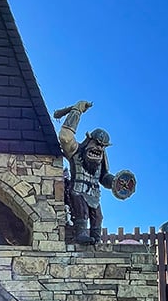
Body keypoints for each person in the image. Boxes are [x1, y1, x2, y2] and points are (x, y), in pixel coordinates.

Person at [57, 101, 135, 244]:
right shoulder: (76, 152)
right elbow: (65, 137)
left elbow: (103, 177)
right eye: (97, 144)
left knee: (98, 217)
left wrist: (115, 183)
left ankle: (96, 239)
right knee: (81, 211)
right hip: (77, 191)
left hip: (94, 194)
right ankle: (81, 234)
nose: (99, 148)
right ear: (89, 140)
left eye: (103, 146)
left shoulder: (101, 160)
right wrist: (76, 111)